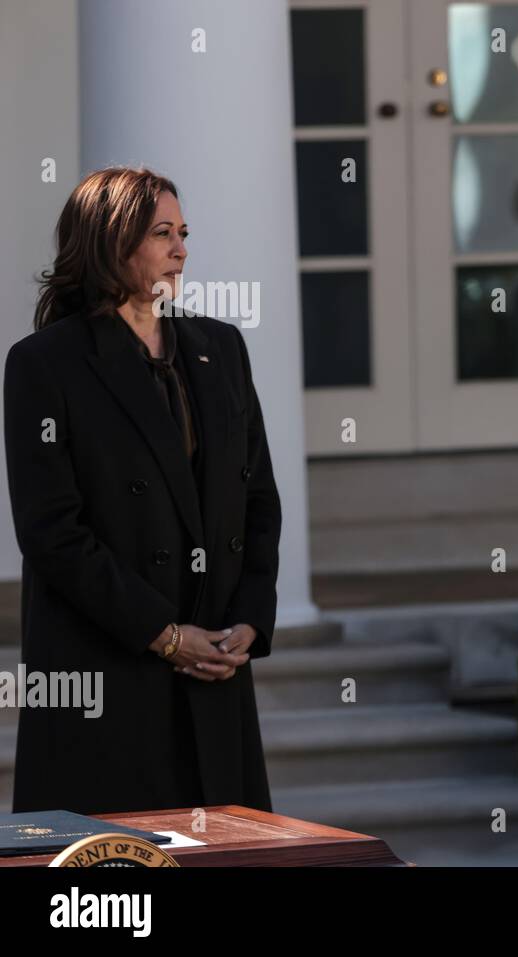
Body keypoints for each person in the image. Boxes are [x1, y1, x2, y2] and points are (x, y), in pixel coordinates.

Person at [4, 166, 282, 815]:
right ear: (110, 241)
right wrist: (162, 633)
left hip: (215, 668)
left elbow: (259, 499)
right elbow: (51, 531)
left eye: (183, 232)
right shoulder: (43, 363)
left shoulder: (221, 347)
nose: (181, 248)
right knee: (115, 884)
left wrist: (248, 619)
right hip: (105, 676)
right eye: (162, 233)